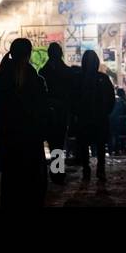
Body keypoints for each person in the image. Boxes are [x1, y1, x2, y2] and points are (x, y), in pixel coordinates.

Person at [0, 38, 48, 207]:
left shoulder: (2, 77)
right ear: (29, 54)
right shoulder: (36, 79)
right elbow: (42, 111)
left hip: (9, 141)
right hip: (30, 141)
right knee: (32, 185)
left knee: (11, 185)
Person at [73, 50, 117, 182]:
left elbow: (73, 99)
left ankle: (60, 173)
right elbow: (111, 99)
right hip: (100, 118)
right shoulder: (103, 78)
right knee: (100, 146)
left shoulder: (78, 78)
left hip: (84, 118)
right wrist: (106, 112)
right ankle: (100, 170)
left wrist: (76, 114)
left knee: (83, 146)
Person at [38, 42, 77, 183]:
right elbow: (71, 94)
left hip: (49, 112)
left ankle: (56, 171)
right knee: (58, 144)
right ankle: (57, 171)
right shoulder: (67, 72)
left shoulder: (43, 72)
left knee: (54, 144)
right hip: (61, 113)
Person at [110, 88, 126, 155]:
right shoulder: (124, 100)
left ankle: (117, 150)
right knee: (122, 135)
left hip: (117, 120)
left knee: (117, 136)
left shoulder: (116, 100)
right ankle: (122, 149)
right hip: (122, 120)